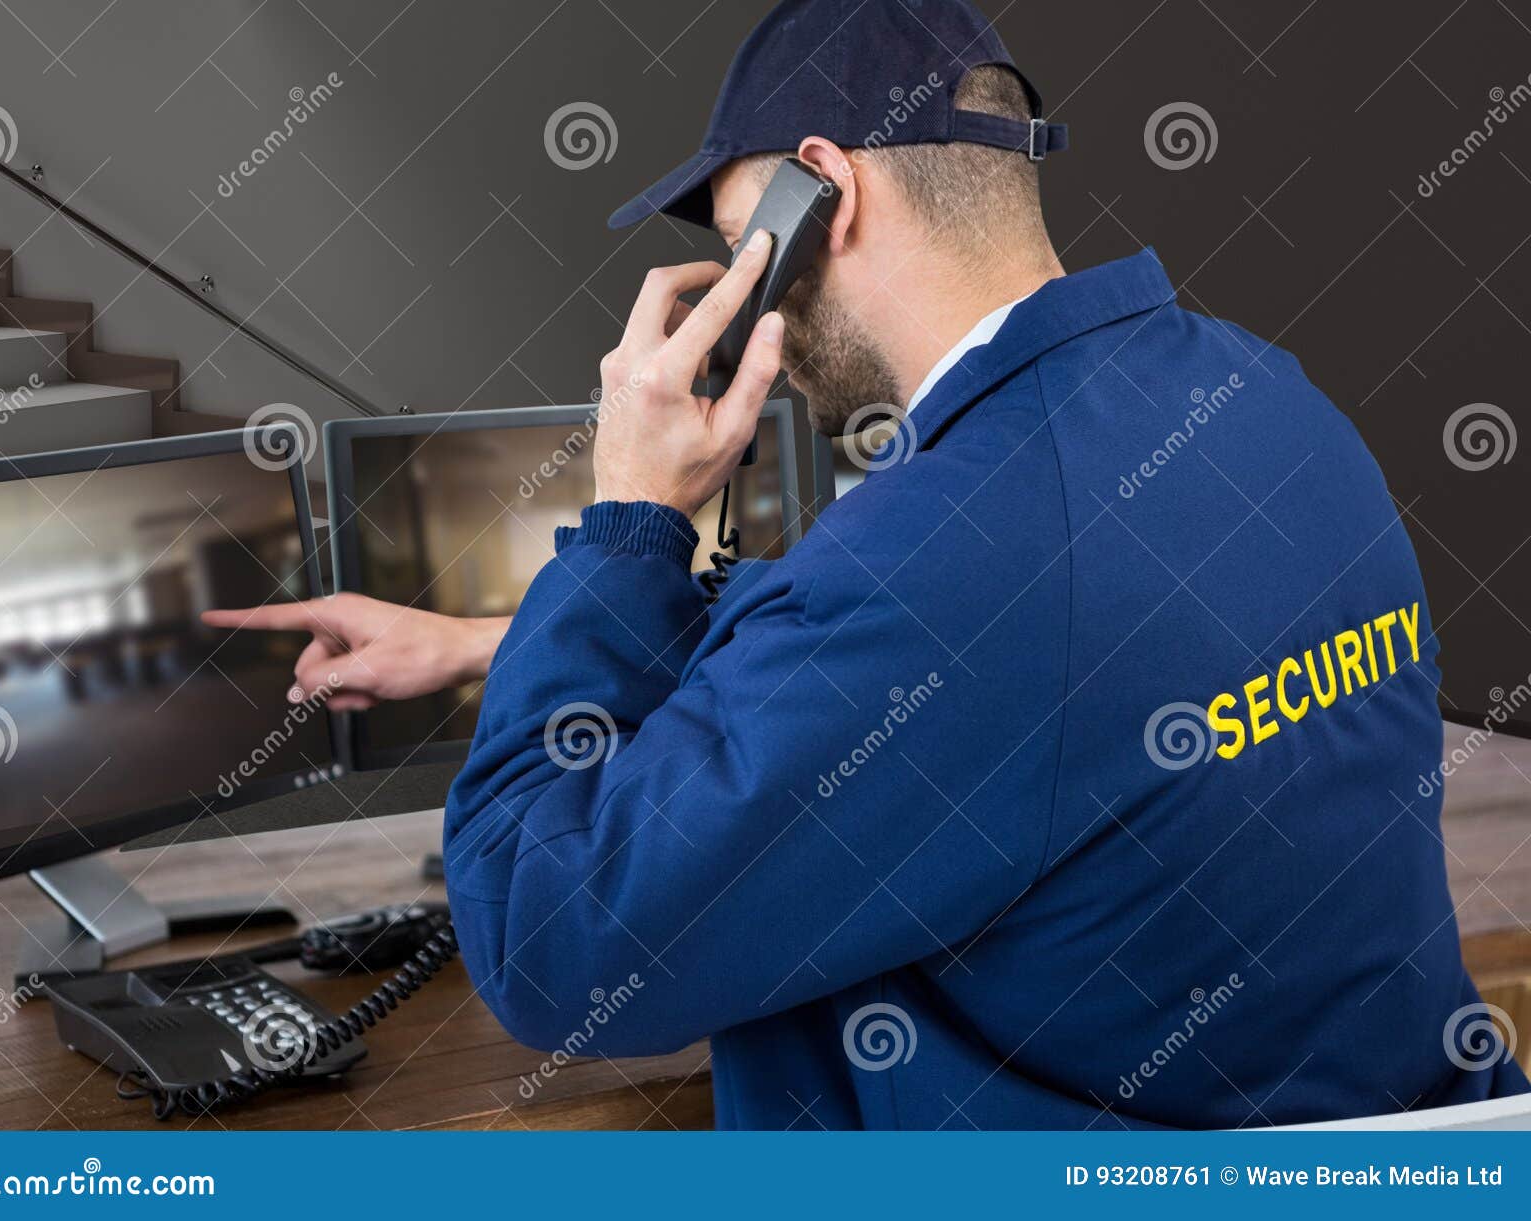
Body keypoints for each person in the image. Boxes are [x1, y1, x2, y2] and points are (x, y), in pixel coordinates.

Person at [205, 0, 1529, 1128]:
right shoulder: (1261, 395)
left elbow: (551, 947)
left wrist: (628, 521)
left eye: (744, 243)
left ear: (824, 194)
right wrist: (496, 644)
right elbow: (1064, 672)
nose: (742, 295)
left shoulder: (942, 560)